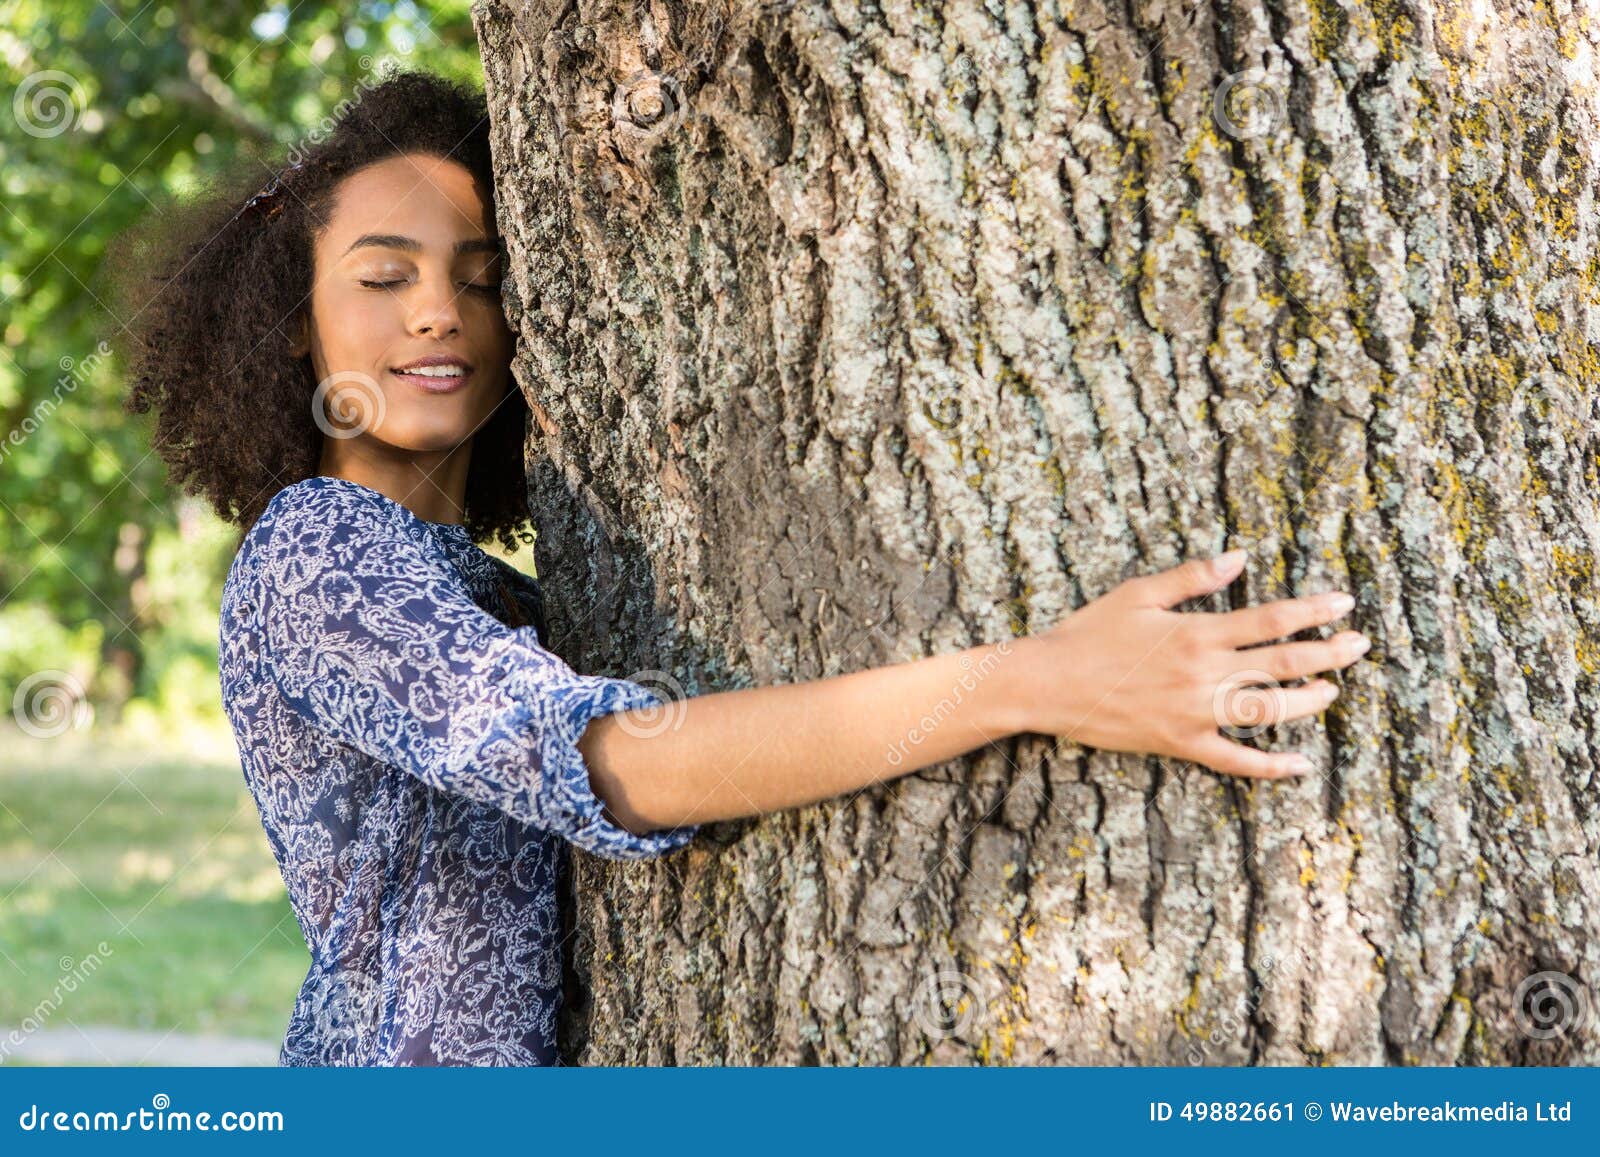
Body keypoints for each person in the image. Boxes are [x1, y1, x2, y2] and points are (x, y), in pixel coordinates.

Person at [117, 71, 1368, 1066]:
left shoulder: (463, 576)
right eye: (383, 276)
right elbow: (617, 761)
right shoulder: (316, 550)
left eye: (482, 279)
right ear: (293, 322)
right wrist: (1035, 680)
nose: (441, 312)